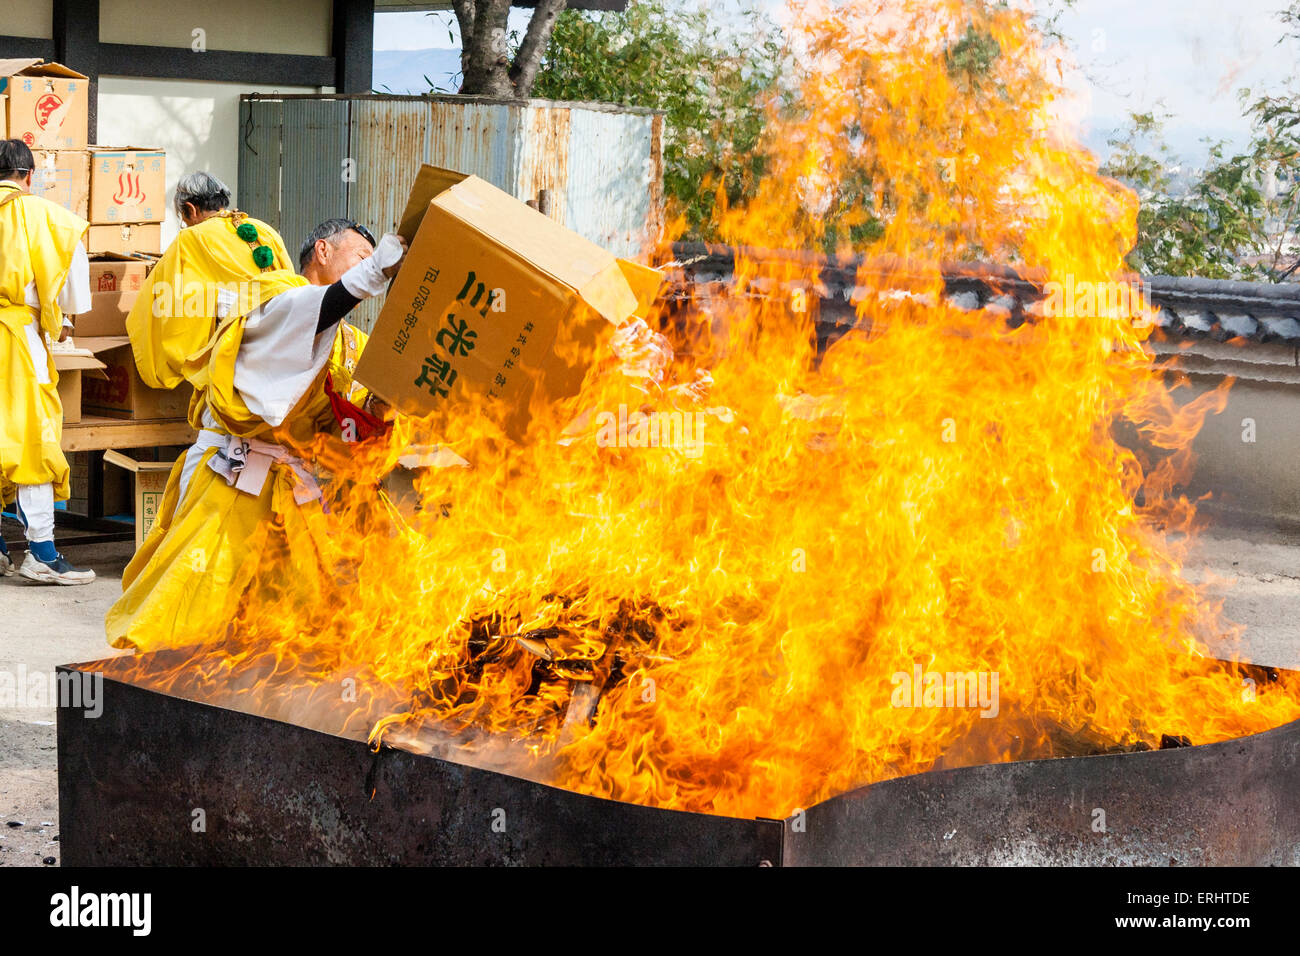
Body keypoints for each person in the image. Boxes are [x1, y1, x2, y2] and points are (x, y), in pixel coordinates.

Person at [106, 222, 404, 651]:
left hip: (287, 483)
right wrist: (376, 270)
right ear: (322, 250)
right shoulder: (272, 295)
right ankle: (163, 684)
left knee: (286, 607)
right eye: (360, 255)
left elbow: (341, 424)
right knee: (195, 600)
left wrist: (385, 404)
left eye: (369, 260)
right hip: (231, 476)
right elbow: (313, 309)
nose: (366, 264)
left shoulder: (347, 342)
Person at [0, 138, 95, 585]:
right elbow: (76, 297)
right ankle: (40, 551)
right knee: (32, 442)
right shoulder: (51, 220)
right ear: (29, 177)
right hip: (20, 343)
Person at [126, 171, 295, 391]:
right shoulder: (266, 231)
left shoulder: (191, 238)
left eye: (183, 217)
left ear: (190, 209)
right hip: (277, 344)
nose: (185, 224)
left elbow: (167, 300)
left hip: (230, 353)